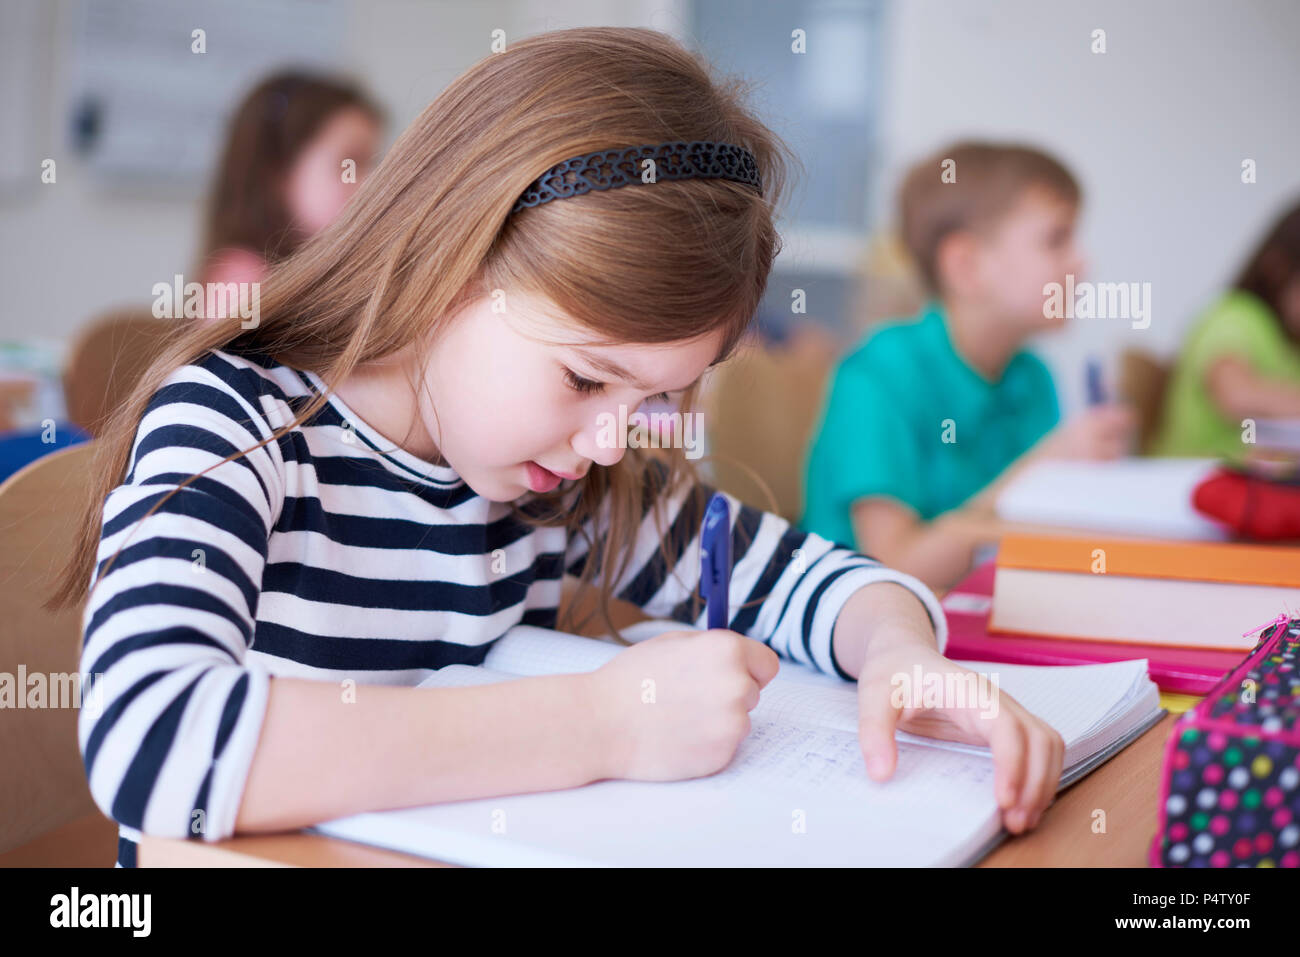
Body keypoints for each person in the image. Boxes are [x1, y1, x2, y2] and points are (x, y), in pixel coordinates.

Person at [50, 30, 1063, 868]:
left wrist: (898, 653)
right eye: (585, 377)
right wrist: (602, 725)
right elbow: (151, 739)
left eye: (653, 396)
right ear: (446, 267)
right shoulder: (239, 425)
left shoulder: (569, 478)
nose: (610, 439)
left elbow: (819, 578)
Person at [803, 141, 1134, 588]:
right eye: (1056, 239)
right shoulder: (875, 375)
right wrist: (1039, 473)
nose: (1081, 262)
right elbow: (893, 570)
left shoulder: (1032, 376)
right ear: (966, 265)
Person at [195, 71, 385, 309]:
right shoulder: (244, 283)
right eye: (350, 162)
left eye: (373, 163)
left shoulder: (311, 275)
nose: (371, 183)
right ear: (278, 171)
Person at [1152, 200, 1300, 461]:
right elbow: (1236, 395)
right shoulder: (1235, 315)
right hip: (1190, 479)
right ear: (1278, 267)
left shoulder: (1291, 343)